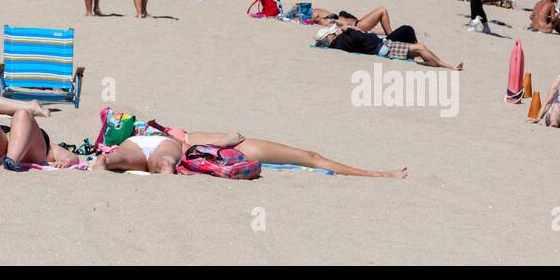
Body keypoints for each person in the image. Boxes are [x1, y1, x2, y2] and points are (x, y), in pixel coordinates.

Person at [92, 122, 408, 178]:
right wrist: (227, 140)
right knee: (309, 157)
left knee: (116, 160)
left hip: (150, 147)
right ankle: (375, 173)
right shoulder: (176, 140)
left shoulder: (152, 136)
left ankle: (102, 164)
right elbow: (232, 137)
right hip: (190, 148)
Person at [313, 21, 462, 70]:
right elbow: (359, 38)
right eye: (330, 33)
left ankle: (438, 63)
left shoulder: (338, 41)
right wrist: (349, 29)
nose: (333, 32)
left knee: (418, 45)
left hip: (382, 44)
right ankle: (447, 66)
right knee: (420, 47)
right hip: (384, 48)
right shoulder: (342, 40)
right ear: (328, 37)